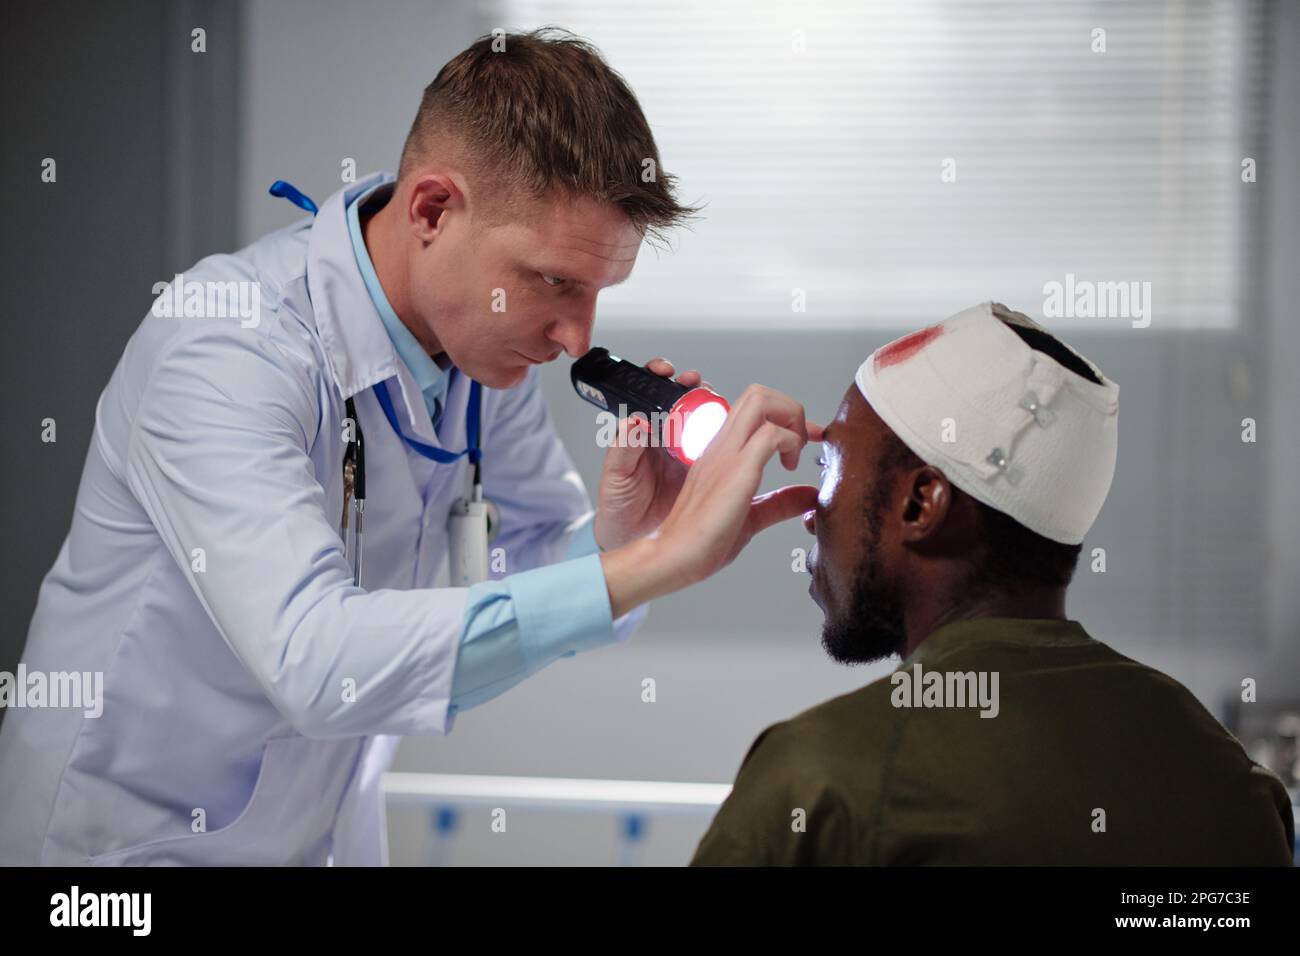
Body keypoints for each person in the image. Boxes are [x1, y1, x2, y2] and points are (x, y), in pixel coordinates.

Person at [0, 28, 821, 865]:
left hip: (312, 839)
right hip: (115, 859)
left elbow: (533, 569)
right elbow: (317, 662)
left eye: (597, 294)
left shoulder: (478, 365)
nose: (579, 338)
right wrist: (669, 560)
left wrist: (628, 535)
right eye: (554, 282)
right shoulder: (223, 347)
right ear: (433, 210)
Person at [691, 301, 1295, 866]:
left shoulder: (819, 787)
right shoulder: (1230, 784)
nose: (811, 513)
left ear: (920, 503)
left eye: (831, 468)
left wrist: (656, 559)